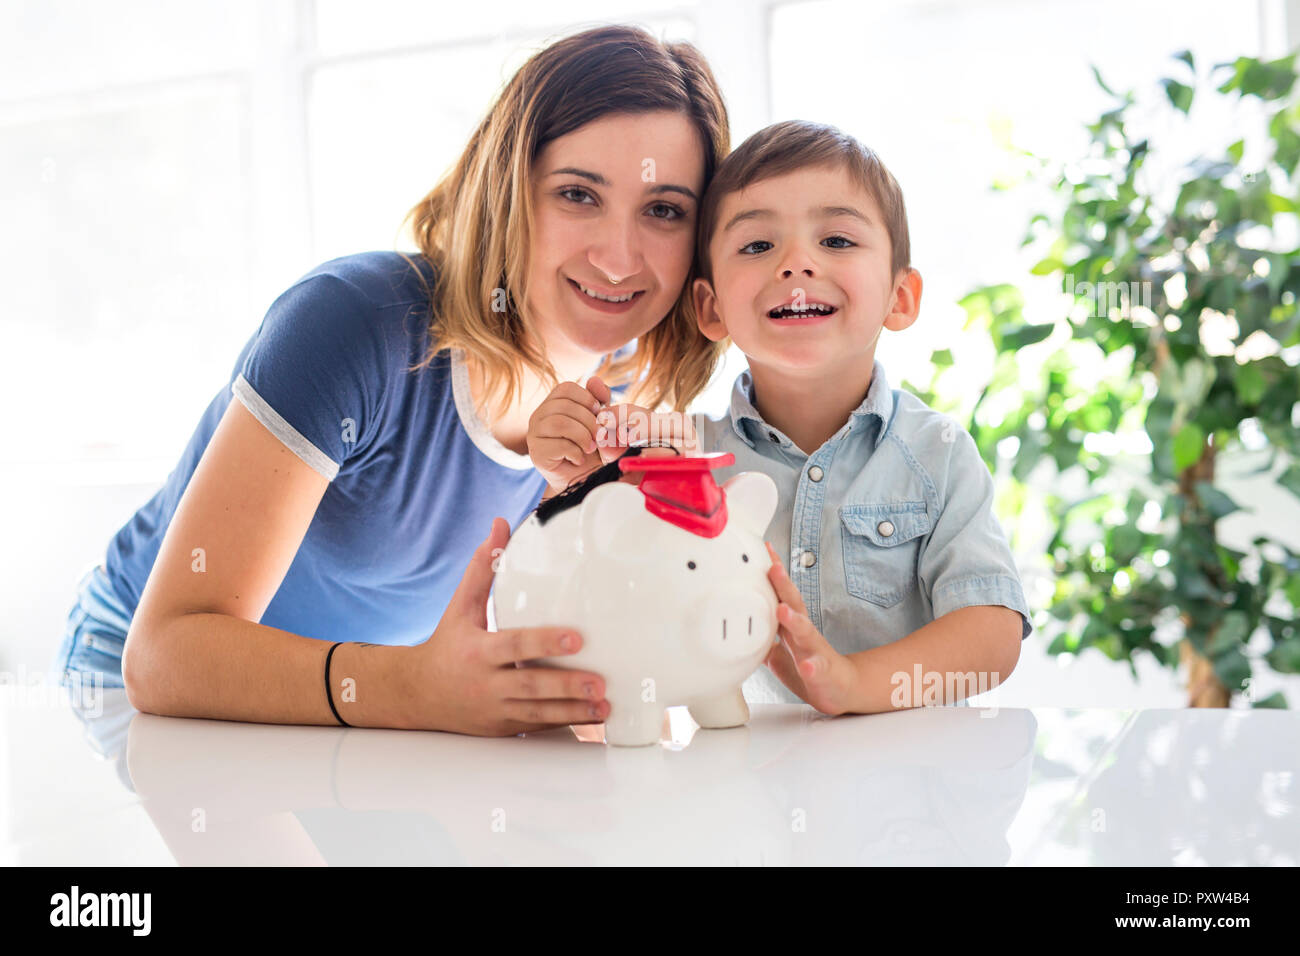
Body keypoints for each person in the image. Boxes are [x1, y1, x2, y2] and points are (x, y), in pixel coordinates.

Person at [51, 25, 730, 736]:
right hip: (138, 680)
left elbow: (574, 668)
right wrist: (414, 690)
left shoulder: (617, 401)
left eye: (664, 210)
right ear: (507, 193)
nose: (620, 257)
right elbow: (164, 656)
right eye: (578, 194)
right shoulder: (353, 325)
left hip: (358, 701)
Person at [527, 120, 1032, 717]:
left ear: (900, 298)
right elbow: (596, 602)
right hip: (741, 786)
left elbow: (991, 634)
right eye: (758, 246)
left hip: (910, 792)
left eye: (837, 241)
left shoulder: (939, 453)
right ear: (710, 308)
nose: (795, 263)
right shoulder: (681, 457)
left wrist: (853, 685)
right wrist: (574, 480)